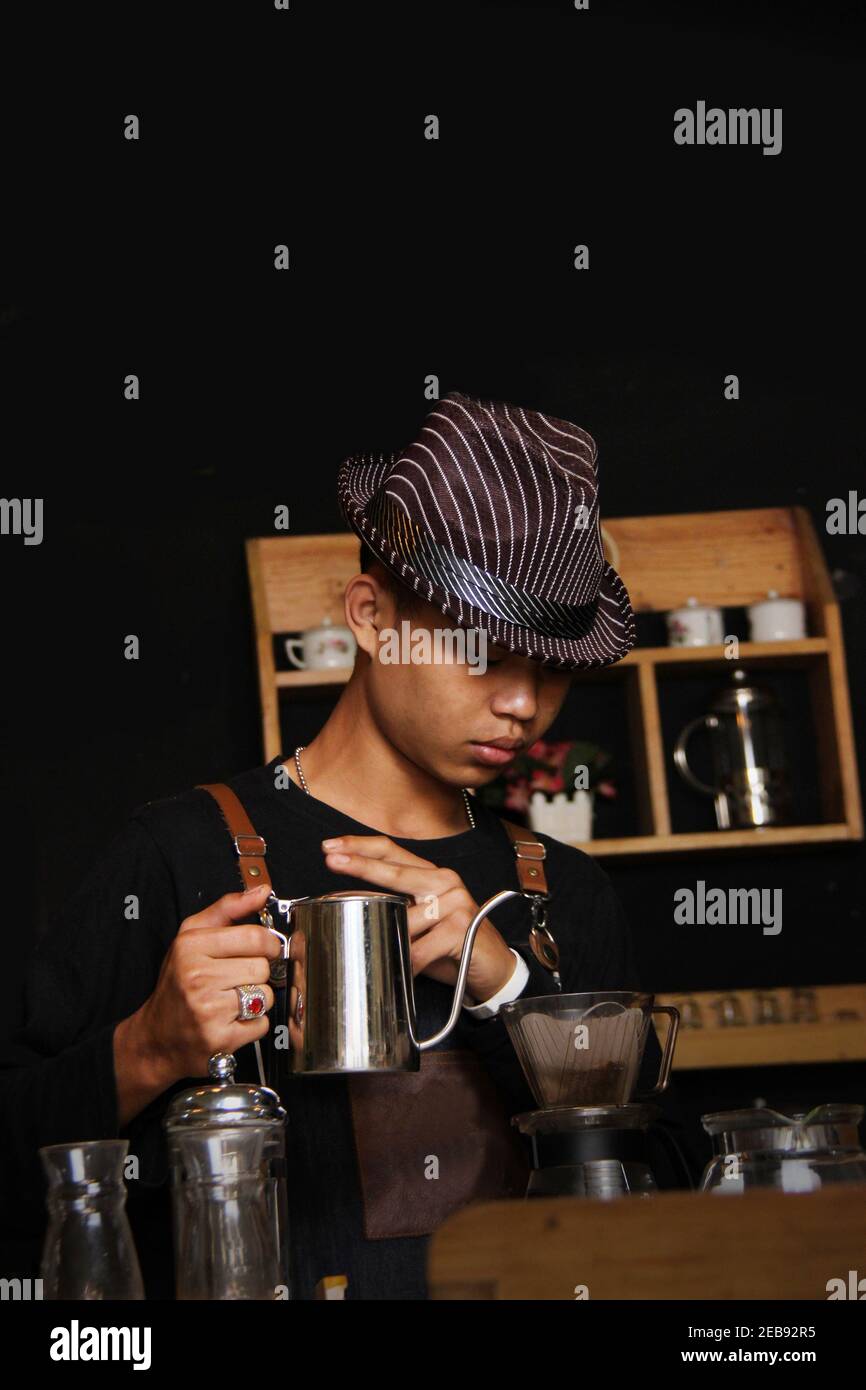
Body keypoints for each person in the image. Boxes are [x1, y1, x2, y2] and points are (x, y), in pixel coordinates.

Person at [0, 390, 697, 1300]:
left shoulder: (562, 893)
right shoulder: (179, 853)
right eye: (485, 653)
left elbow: (671, 1187)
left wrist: (507, 984)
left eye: (553, 669)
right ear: (370, 616)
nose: (525, 705)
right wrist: (145, 1050)